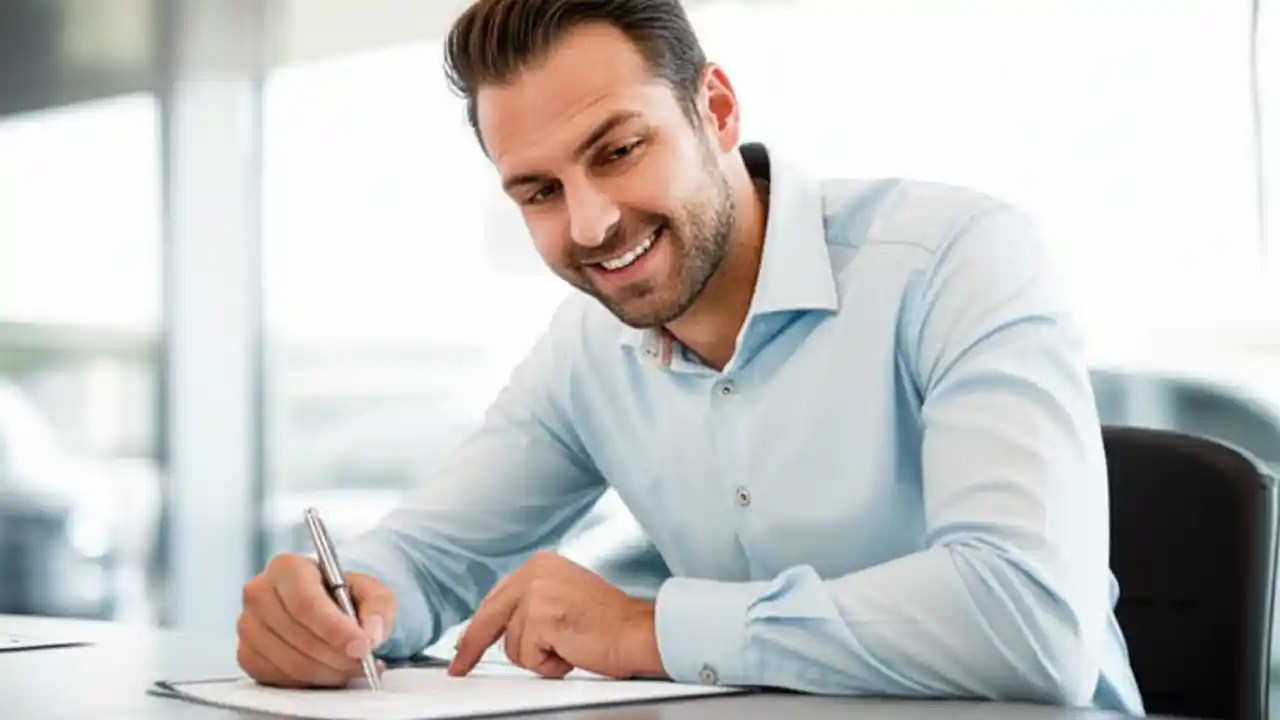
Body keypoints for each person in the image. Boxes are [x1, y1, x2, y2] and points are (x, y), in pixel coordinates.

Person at [235, 0, 1144, 713]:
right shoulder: (588, 351)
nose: (589, 223)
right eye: (540, 192)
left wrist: (647, 630)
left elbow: (1030, 620)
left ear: (715, 109)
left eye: (619, 150)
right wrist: (335, 607)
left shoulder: (955, 261)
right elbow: (426, 559)